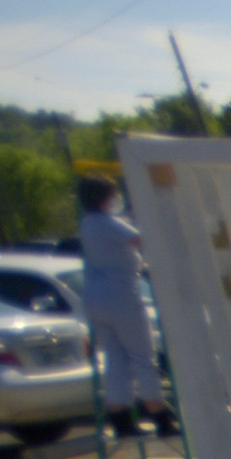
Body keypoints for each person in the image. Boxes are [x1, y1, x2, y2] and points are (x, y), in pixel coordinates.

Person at [76, 175, 173, 437]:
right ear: (106, 198)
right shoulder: (109, 223)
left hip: (95, 296)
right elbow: (142, 239)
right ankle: (158, 412)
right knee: (142, 356)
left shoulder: (88, 224)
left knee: (114, 358)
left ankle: (119, 416)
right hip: (121, 295)